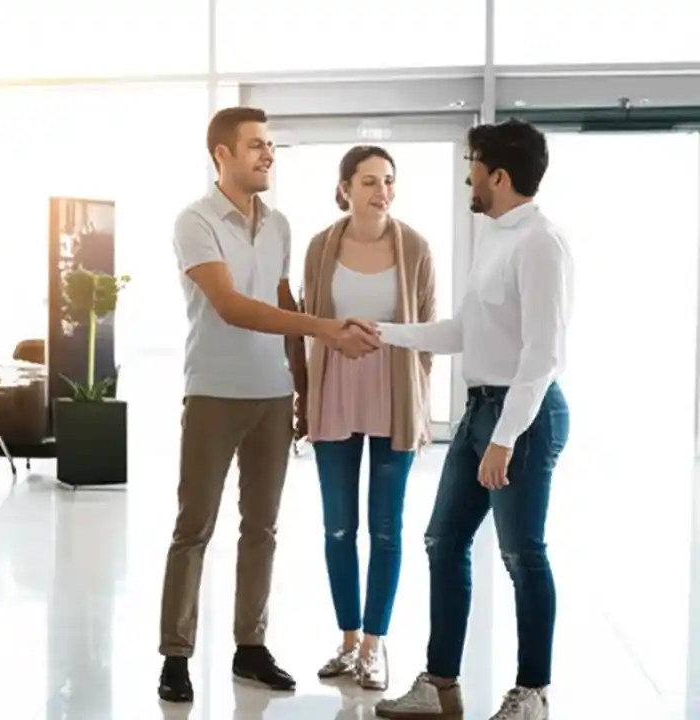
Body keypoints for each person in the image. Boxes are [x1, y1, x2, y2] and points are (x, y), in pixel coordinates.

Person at [157, 106, 380, 704]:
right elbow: (231, 306)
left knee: (262, 528)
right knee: (193, 527)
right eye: (256, 145)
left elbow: (282, 303)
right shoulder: (195, 221)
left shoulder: (278, 224)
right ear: (221, 154)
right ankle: (176, 656)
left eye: (271, 145)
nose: (267, 155)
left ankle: (250, 648)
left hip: (273, 395)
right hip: (212, 391)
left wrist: (303, 387)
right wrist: (327, 327)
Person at [370, 119, 572, 720]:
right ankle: (439, 684)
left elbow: (543, 354)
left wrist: (505, 440)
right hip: (479, 410)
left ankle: (532, 691)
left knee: (521, 553)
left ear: (499, 176)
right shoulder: (494, 237)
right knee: (443, 540)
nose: (468, 176)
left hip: (524, 418)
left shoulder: (541, 243)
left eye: (473, 164)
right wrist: (382, 333)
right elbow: (464, 331)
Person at [301, 145, 436, 692]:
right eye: (370, 181)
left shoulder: (416, 247)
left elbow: (425, 330)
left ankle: (376, 647)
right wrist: (302, 393)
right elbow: (310, 322)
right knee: (338, 527)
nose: (382, 190)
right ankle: (349, 639)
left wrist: (422, 405)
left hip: (394, 393)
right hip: (335, 387)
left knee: (386, 528)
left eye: (388, 181)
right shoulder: (320, 247)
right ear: (345, 188)